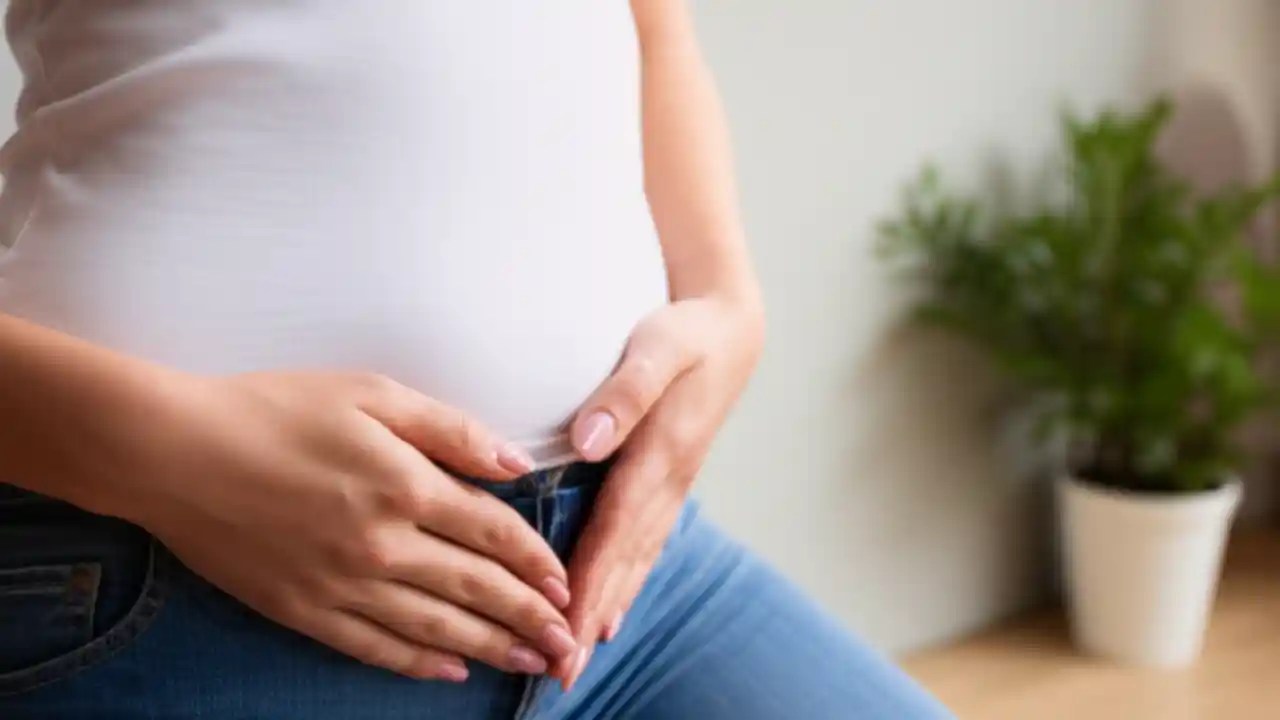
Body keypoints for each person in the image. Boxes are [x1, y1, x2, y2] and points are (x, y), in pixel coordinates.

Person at [0, 1, 953, 718]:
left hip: (622, 587)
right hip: (177, 572)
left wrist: (726, 300)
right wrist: (171, 456)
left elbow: (652, 28)